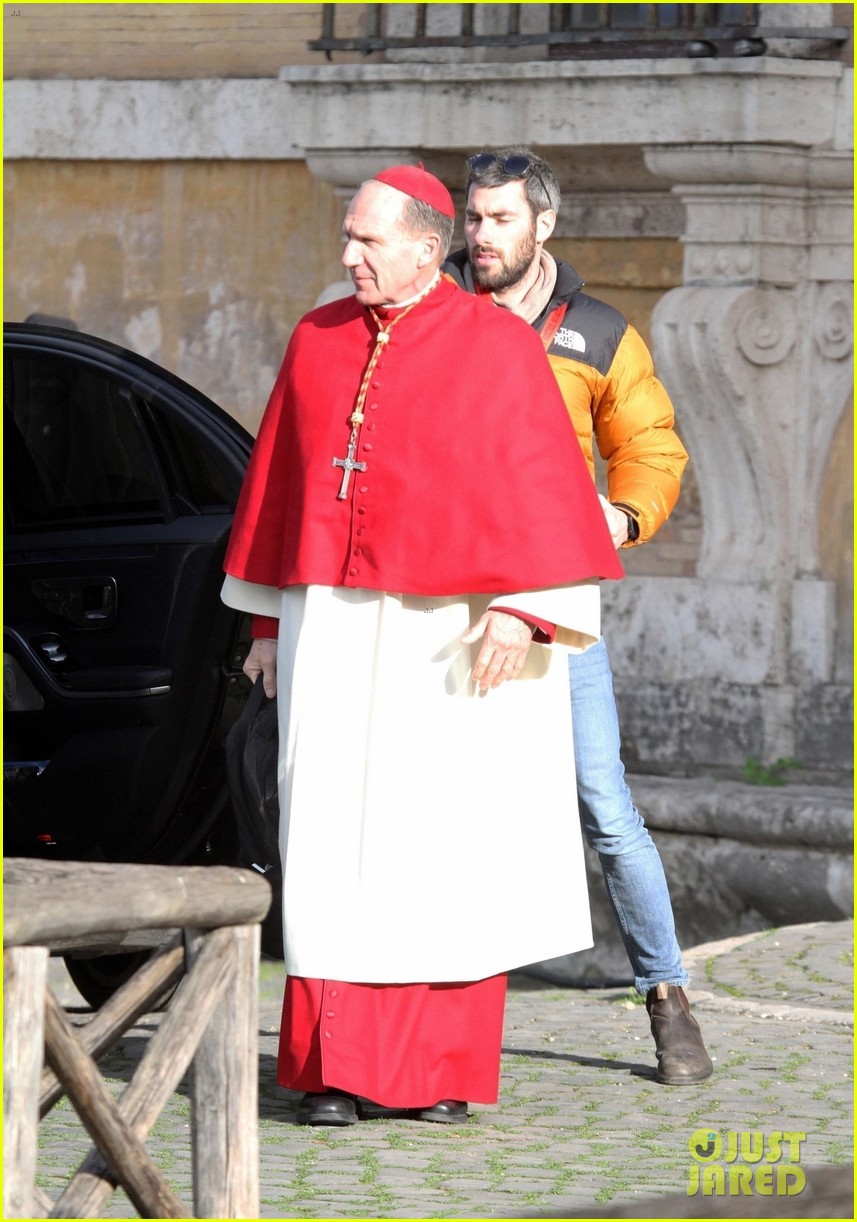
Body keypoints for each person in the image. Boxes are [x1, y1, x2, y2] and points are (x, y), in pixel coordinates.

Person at [221, 164, 624, 1126]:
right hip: (331, 629)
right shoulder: (314, 340)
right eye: (347, 237)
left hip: (452, 640)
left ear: (424, 246)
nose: (347, 254)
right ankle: (329, 1072)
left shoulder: (494, 346)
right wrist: (269, 624)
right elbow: (279, 486)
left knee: (441, 851)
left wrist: (526, 610)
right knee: (334, 848)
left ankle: (437, 1074)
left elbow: (540, 491)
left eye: (366, 240)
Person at [444, 148, 713, 1086]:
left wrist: (622, 513)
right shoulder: (430, 317)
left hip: (556, 601)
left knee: (603, 804)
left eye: (499, 220)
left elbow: (648, 444)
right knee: (441, 807)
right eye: (472, 219)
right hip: (440, 601)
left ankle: (667, 998)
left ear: (541, 226)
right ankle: (436, 1017)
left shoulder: (597, 332)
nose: (480, 237)